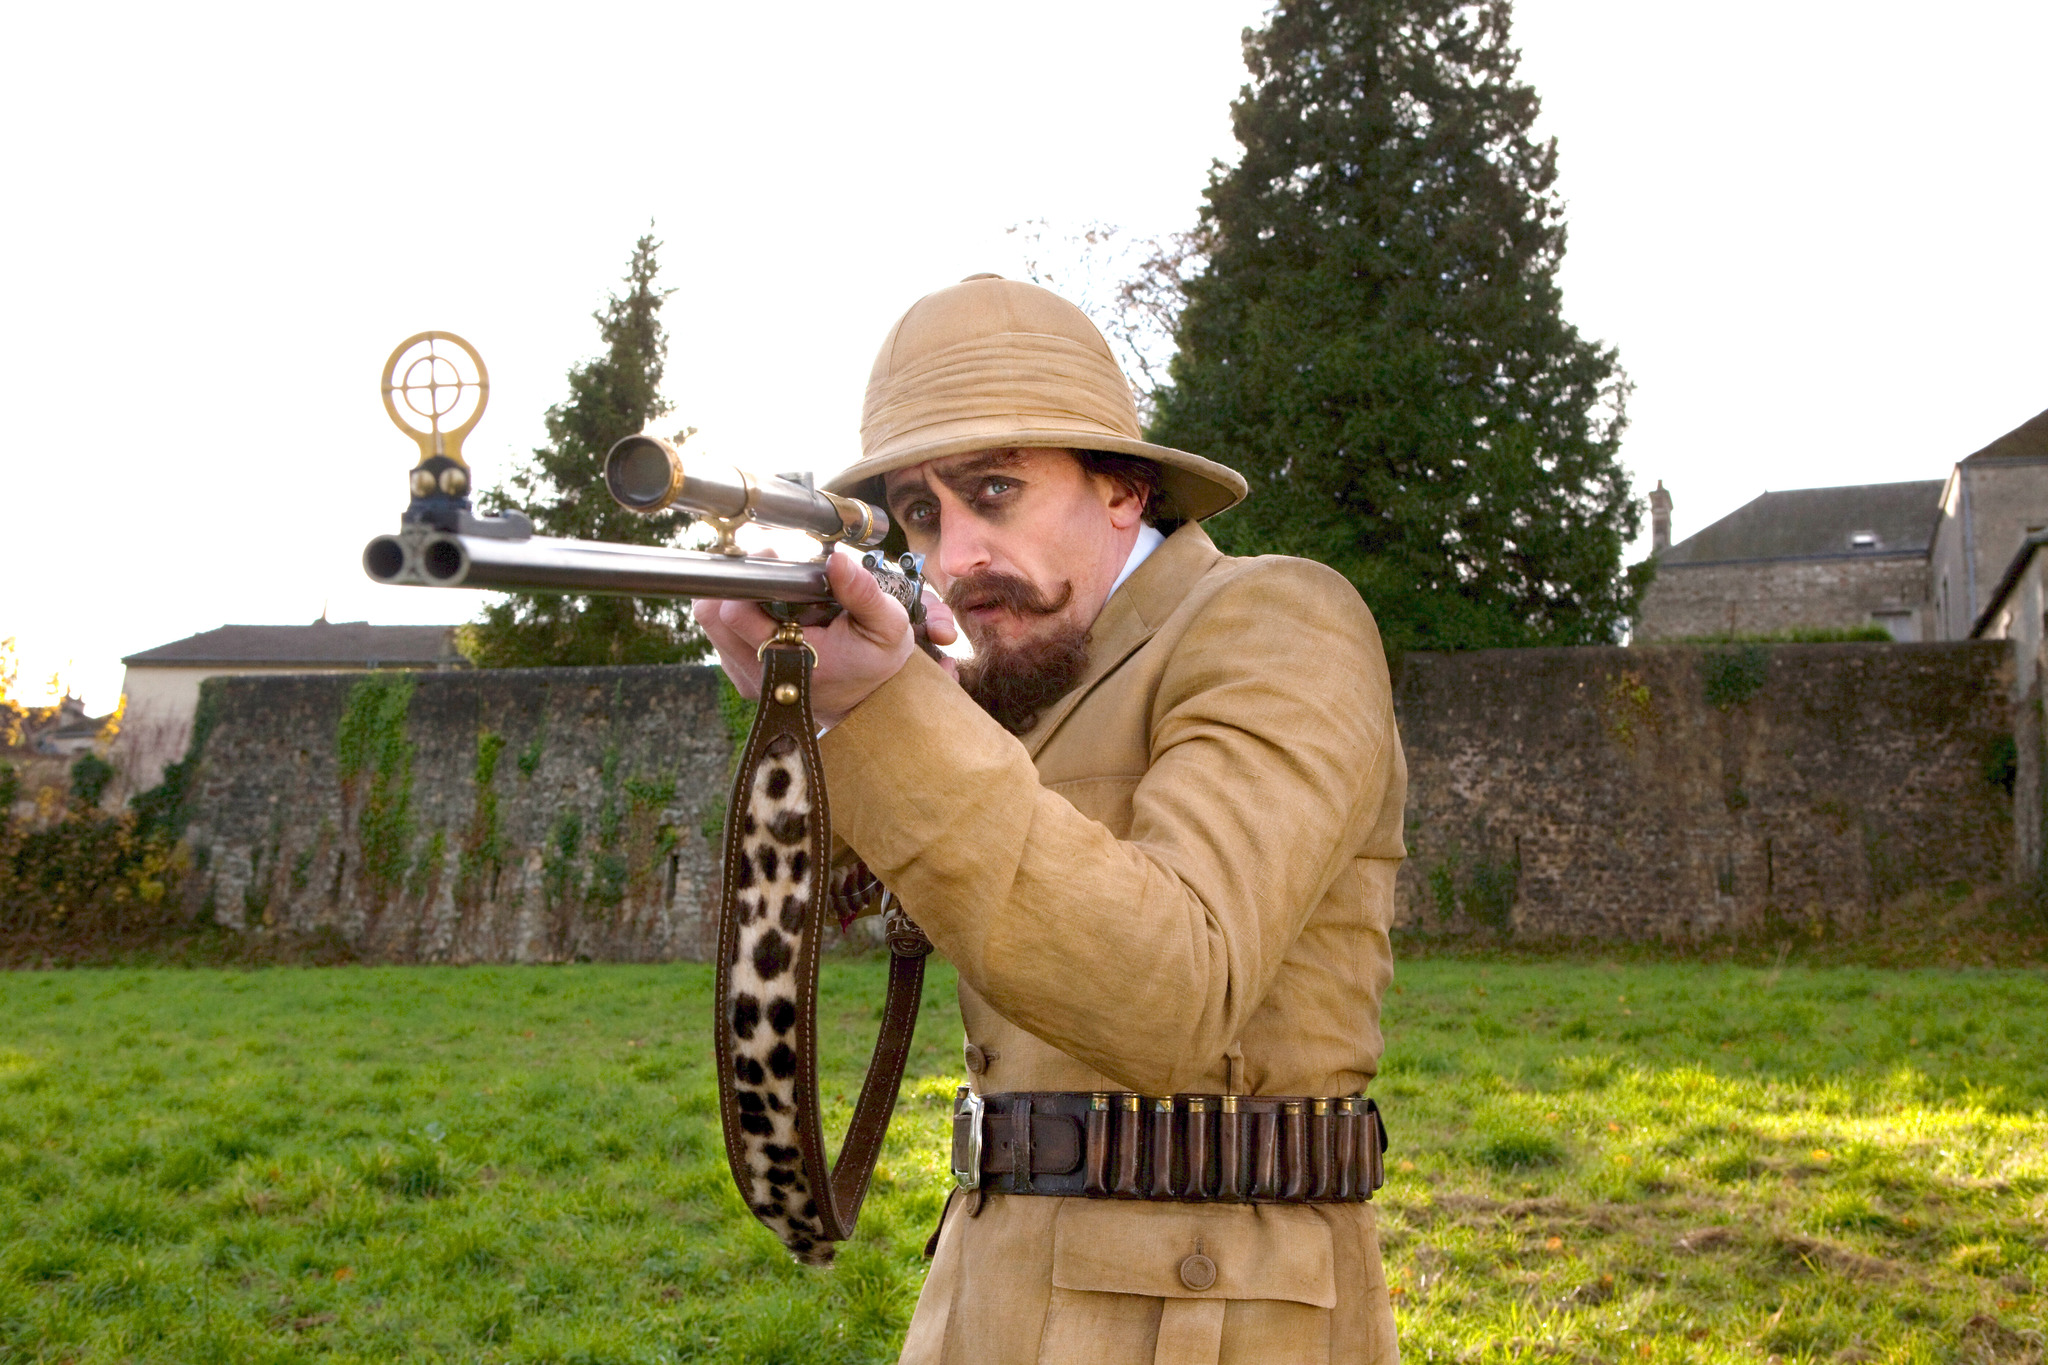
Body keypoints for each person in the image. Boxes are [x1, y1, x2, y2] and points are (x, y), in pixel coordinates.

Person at [694, 274, 1405, 1365]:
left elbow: (1174, 987)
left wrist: (887, 710)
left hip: (1211, 1315)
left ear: (1121, 491)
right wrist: (824, 694)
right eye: (922, 514)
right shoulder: (1009, 674)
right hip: (988, 1285)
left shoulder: (1275, 617)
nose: (957, 554)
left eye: (993, 492)